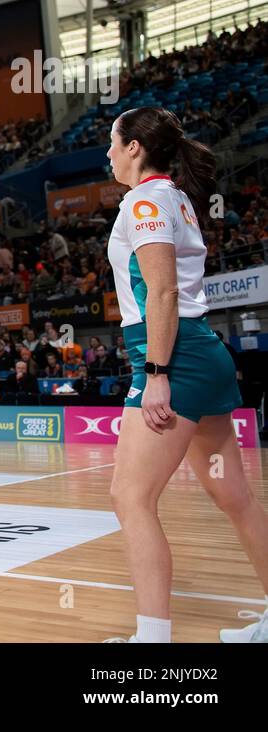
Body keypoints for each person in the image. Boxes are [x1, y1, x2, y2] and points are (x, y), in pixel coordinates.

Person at [103, 106, 267, 644]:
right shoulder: (175, 197)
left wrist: (156, 372)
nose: (107, 154)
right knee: (235, 497)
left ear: (134, 148)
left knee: (131, 498)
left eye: (113, 143)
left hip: (175, 356)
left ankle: (151, 645)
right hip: (201, 352)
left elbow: (164, 293)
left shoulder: (145, 200)